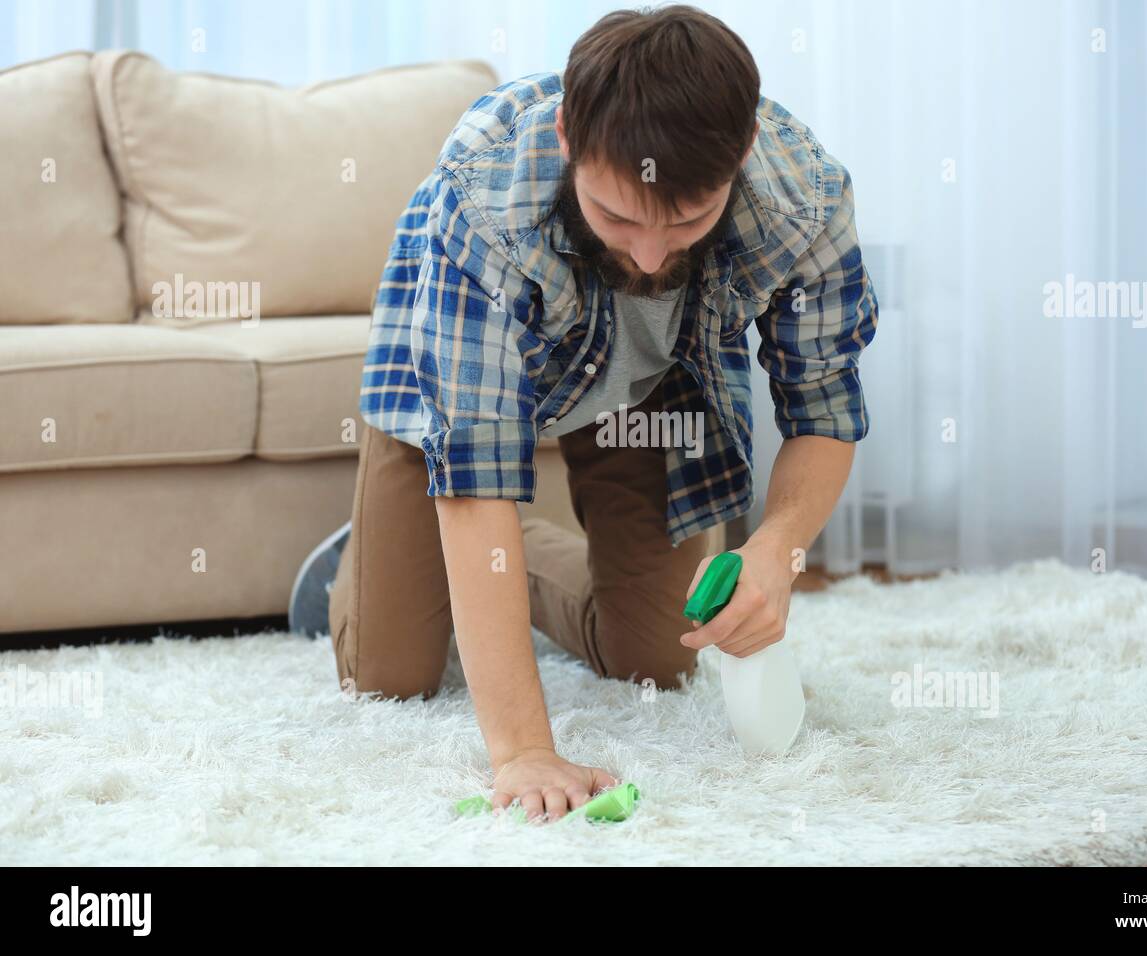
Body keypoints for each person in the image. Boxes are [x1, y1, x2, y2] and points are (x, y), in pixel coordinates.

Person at [290, 4, 878, 824]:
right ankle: (388, 549)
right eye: (616, 217)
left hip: (653, 393)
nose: (648, 256)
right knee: (388, 678)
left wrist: (777, 546)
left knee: (657, 659)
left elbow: (823, 409)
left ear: (741, 156)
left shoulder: (805, 201)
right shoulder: (486, 199)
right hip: (460, 408)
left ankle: (473, 557)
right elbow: (476, 470)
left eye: (687, 222)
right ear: (568, 136)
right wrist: (526, 749)